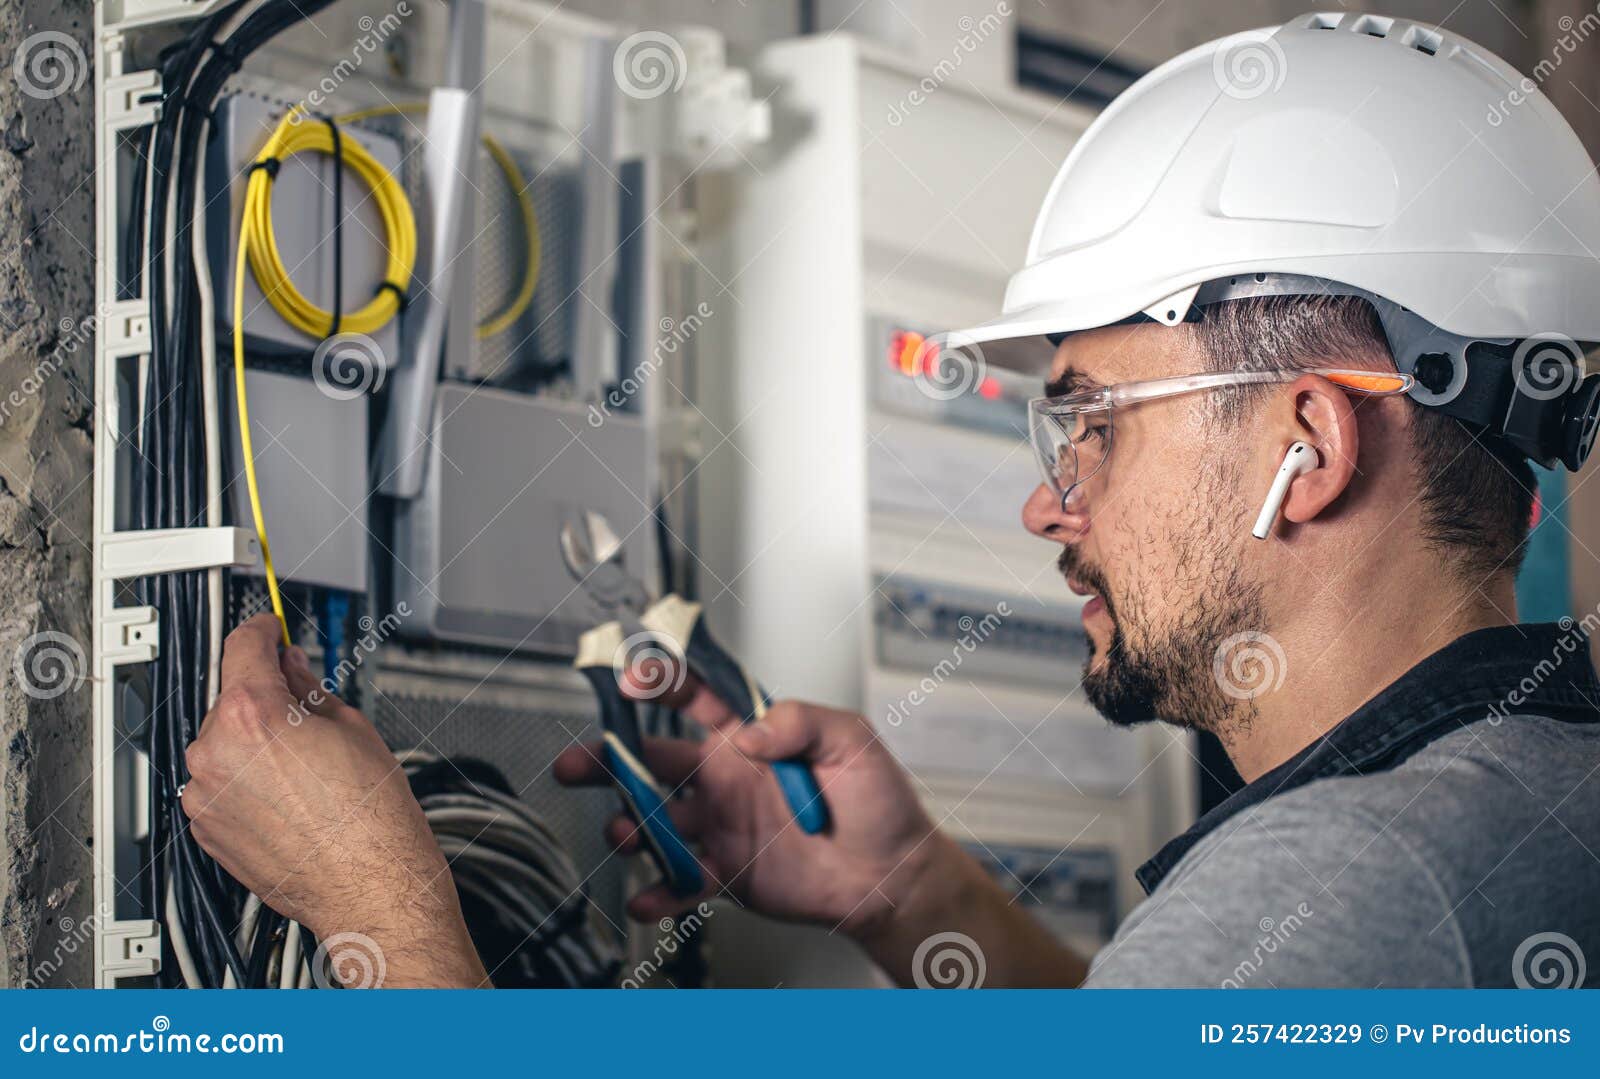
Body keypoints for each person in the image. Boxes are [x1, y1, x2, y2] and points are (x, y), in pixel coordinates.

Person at [183, 14, 1600, 987]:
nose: (1052, 510)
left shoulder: (1335, 897)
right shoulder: (1523, 811)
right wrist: (910, 894)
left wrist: (379, 913)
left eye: (1095, 424)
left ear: (1311, 445)